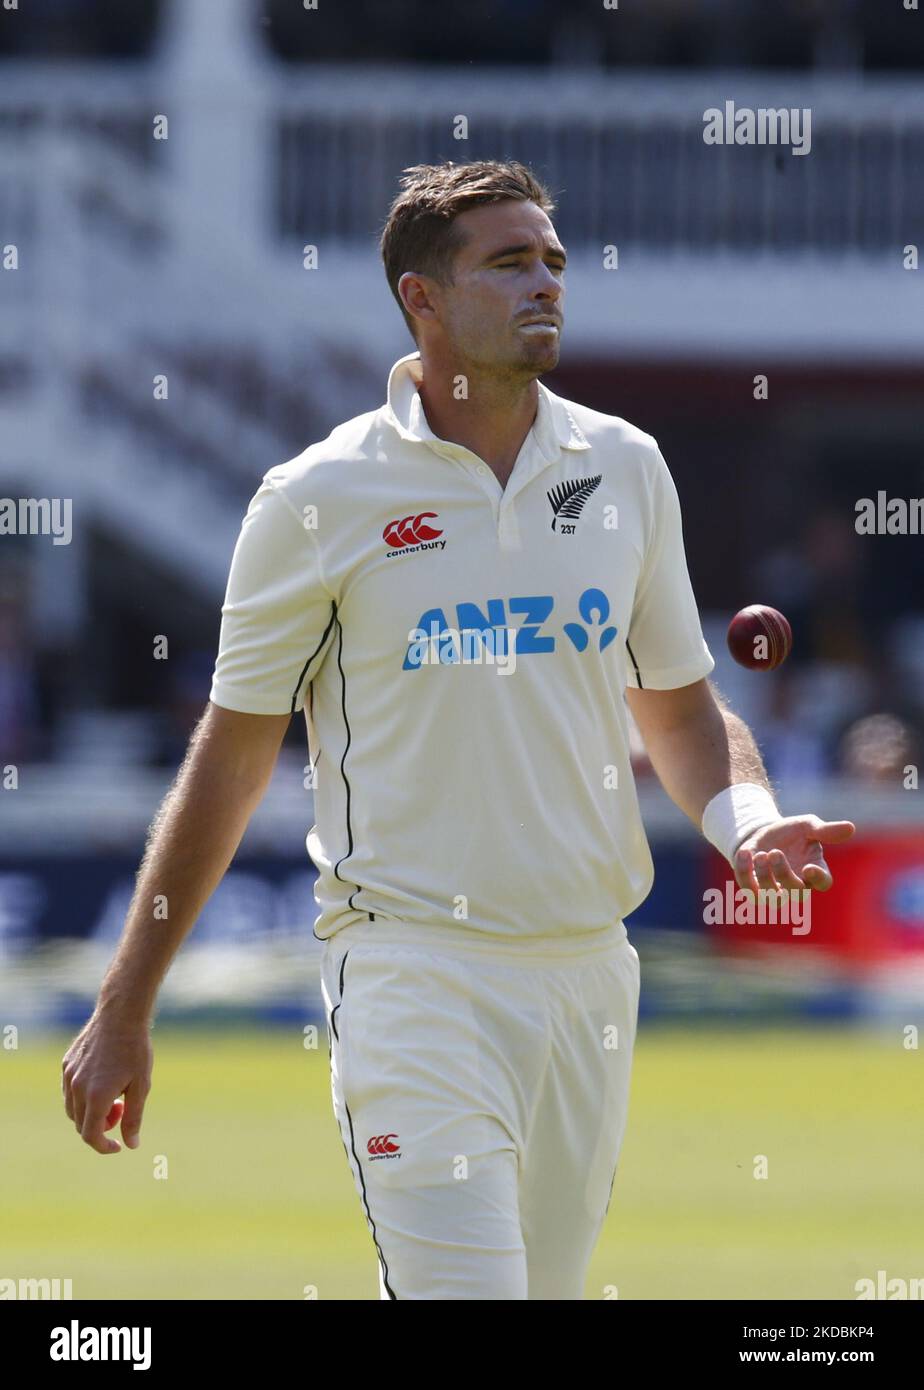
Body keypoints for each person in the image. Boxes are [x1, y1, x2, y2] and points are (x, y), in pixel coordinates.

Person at [62, 159, 855, 1300]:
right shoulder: (314, 496)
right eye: (509, 262)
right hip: (409, 970)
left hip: (589, 972)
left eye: (554, 262)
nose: (546, 285)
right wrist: (124, 1003)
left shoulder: (626, 464)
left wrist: (750, 820)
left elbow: (678, 703)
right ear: (420, 299)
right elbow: (231, 761)